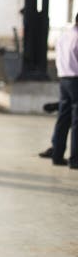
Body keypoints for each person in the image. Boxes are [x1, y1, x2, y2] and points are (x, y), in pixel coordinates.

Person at [38, 13, 78, 168]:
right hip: (76, 79)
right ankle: (75, 160)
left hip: (64, 79)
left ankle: (57, 155)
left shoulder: (64, 36)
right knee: (76, 121)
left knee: (63, 118)